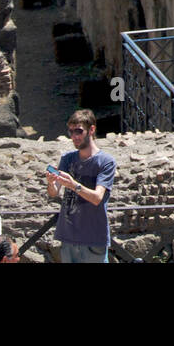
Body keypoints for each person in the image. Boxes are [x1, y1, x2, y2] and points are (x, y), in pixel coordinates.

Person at [46, 109, 116, 263]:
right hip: (68, 237)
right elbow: (54, 193)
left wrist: (73, 185)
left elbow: (98, 198)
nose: (74, 136)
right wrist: (51, 182)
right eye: (71, 132)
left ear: (91, 130)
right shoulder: (67, 159)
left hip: (93, 239)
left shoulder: (106, 162)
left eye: (78, 131)